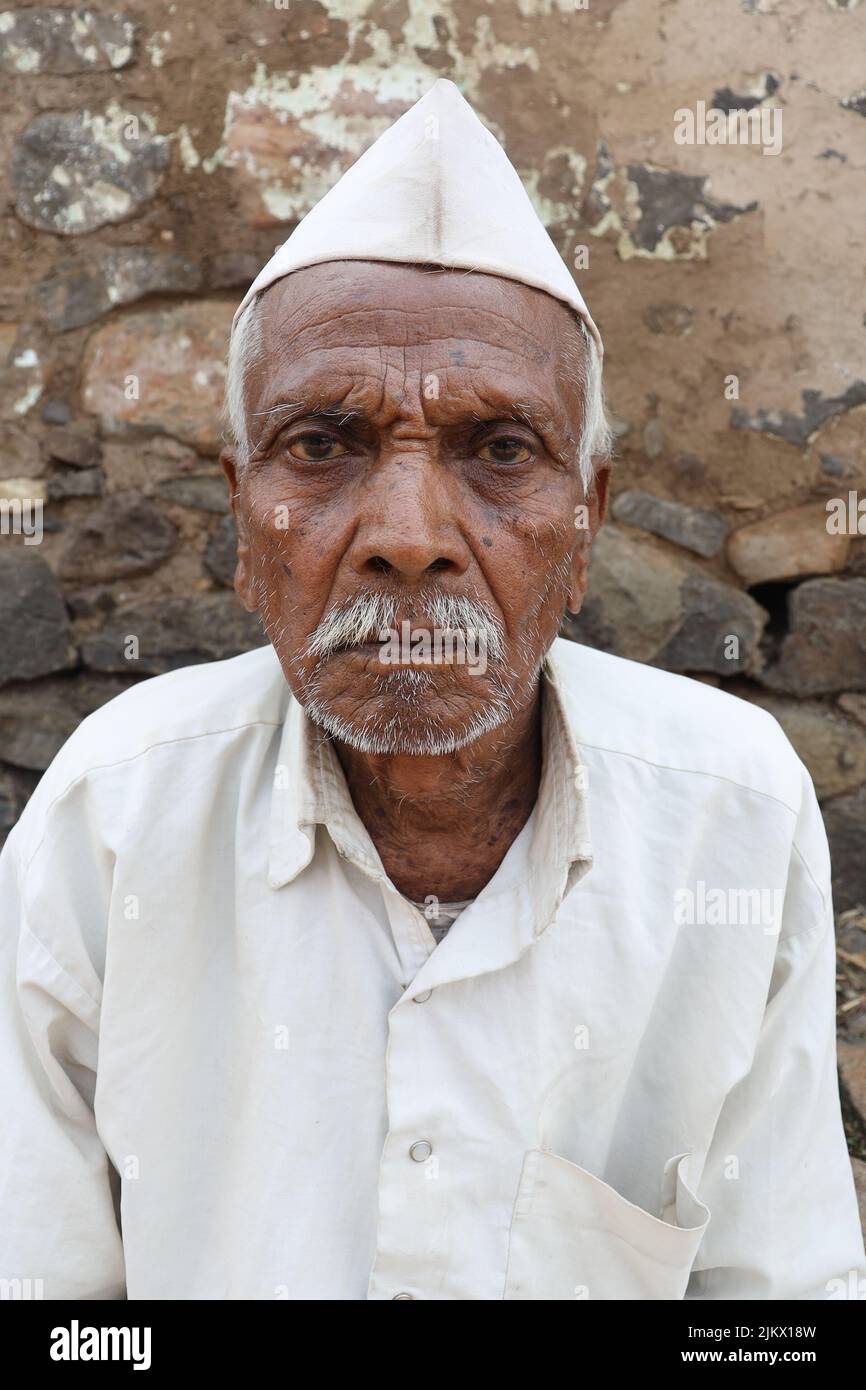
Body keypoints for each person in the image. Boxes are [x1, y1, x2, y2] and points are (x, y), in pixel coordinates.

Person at [1, 79, 863, 1301]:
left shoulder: (731, 812)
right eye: (323, 445)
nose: (408, 536)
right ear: (241, 514)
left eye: (499, 450)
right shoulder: (112, 816)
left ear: (585, 520)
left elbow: (774, 1302)